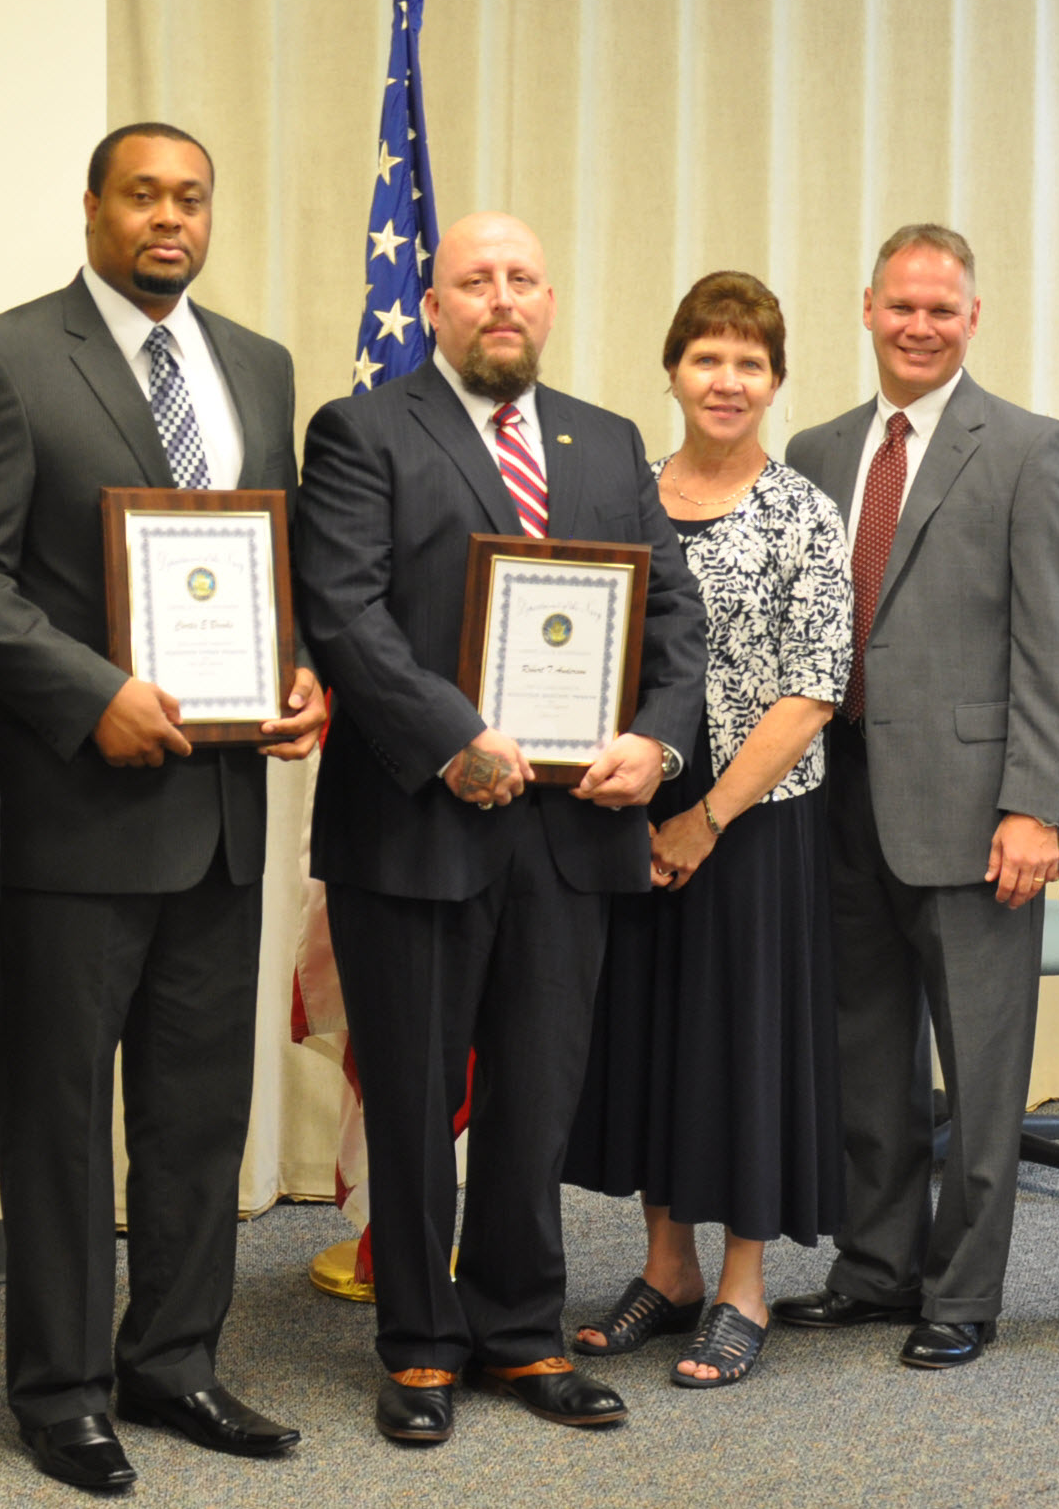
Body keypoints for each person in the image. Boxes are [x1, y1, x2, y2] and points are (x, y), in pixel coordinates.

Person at [0, 123, 323, 1495]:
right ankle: (61, 1388)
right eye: (141, 194)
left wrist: (301, 676)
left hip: (220, 819)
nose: (168, 217)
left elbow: (270, 575)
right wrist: (92, 692)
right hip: (77, 817)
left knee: (198, 1116)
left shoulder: (256, 367)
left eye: (190, 197)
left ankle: (177, 1363)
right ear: (91, 207)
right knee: (58, 1118)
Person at [295, 211, 706, 1444]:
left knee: (537, 1097)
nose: (502, 298)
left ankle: (520, 1333)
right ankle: (420, 1345)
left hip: (572, 831)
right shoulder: (364, 429)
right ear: (433, 303)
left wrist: (660, 738)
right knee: (417, 1098)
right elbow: (343, 610)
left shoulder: (607, 439)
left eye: (523, 277)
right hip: (417, 822)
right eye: (476, 279)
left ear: (550, 299)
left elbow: (672, 619)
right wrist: (451, 736)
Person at [775, 223, 1059, 1370]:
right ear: (866, 306)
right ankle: (875, 1267)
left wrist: (1035, 805)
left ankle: (962, 1290)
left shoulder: (1028, 447)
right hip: (837, 797)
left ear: (973, 318)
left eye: (941, 309)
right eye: (900, 304)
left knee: (982, 1058)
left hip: (976, 812)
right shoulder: (813, 449)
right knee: (868, 1057)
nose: (919, 325)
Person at [564, 273, 852, 1390]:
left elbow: (813, 687)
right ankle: (665, 1267)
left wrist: (707, 815)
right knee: (650, 1039)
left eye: (749, 362)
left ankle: (741, 1283)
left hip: (754, 826)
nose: (726, 381)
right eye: (707, 358)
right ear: (673, 369)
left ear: (775, 381)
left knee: (741, 1046)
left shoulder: (800, 511)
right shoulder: (623, 494)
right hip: (628, 816)